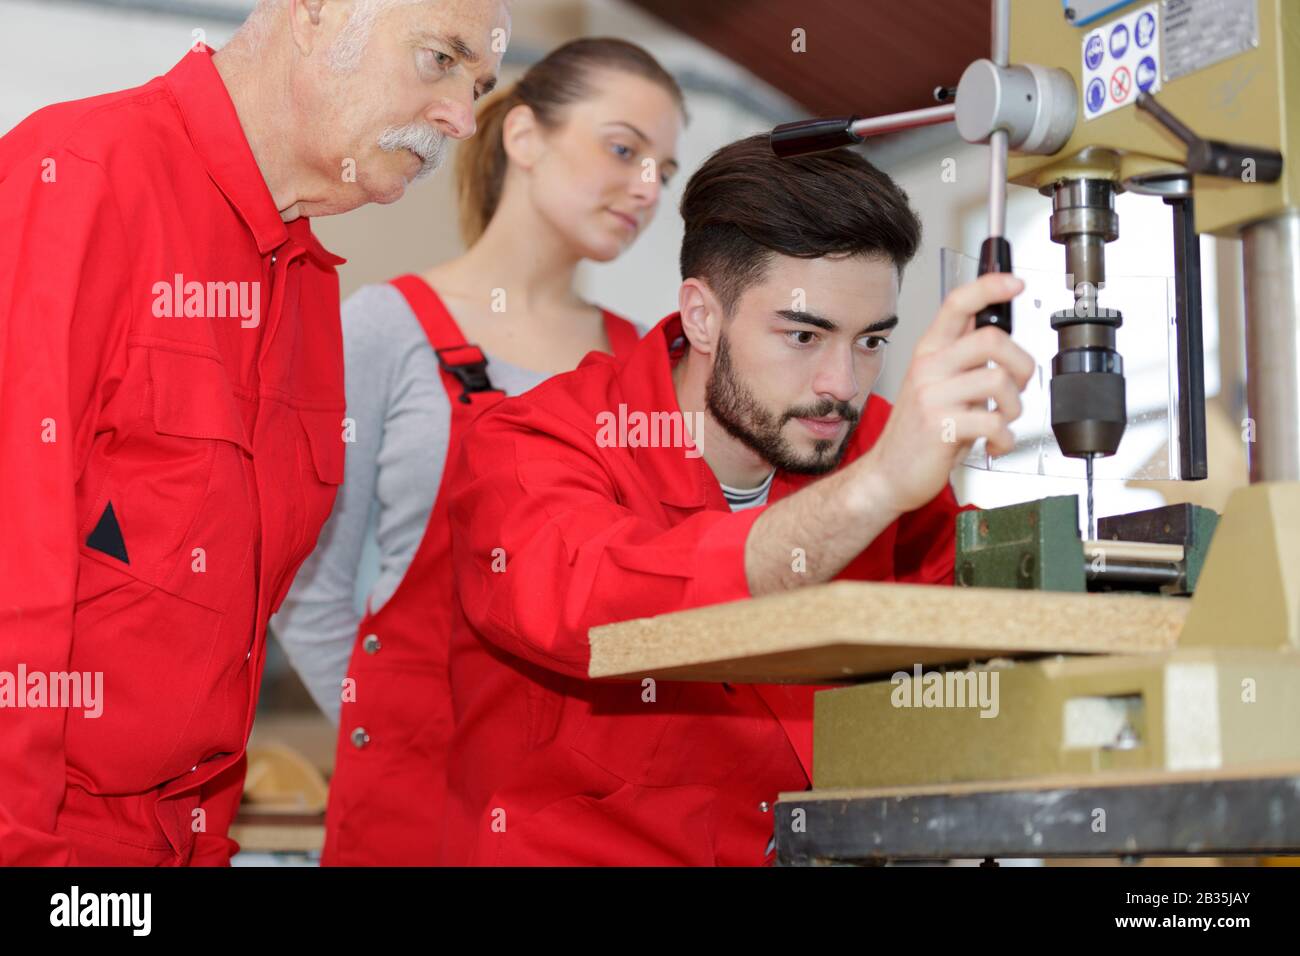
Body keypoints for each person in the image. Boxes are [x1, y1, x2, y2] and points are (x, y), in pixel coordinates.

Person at [0, 0, 508, 866]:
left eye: (479, 85)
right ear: (315, 12)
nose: (462, 119)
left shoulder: (309, 290)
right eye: (439, 61)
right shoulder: (77, 175)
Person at [440, 133, 1035, 865]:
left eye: (872, 341)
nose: (842, 386)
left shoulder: (869, 439)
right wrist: (872, 490)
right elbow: (594, 603)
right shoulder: (531, 444)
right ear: (702, 315)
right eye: (804, 334)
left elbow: (964, 587)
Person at [272, 37, 684, 865]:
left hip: (586, 810)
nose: (646, 187)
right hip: (412, 801)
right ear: (524, 136)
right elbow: (304, 583)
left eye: (665, 172)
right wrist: (383, 728)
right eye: (623, 149)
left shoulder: (649, 363)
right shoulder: (386, 327)